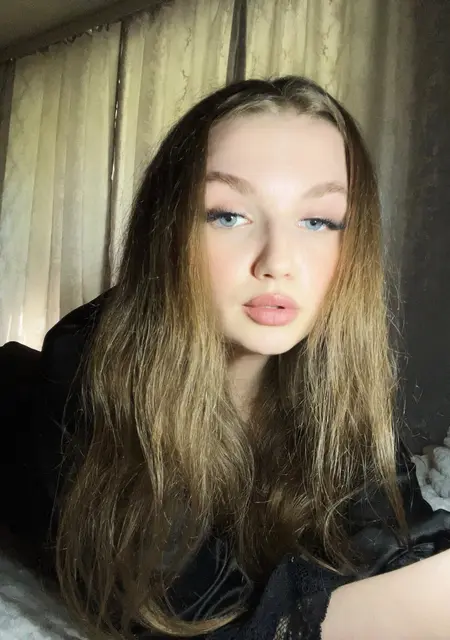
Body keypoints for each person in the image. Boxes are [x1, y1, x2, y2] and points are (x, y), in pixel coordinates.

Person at [1, 75, 450, 640]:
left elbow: (402, 542)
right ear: (168, 230)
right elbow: (198, 622)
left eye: (318, 221)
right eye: (228, 215)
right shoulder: (93, 372)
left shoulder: (333, 377)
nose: (278, 261)